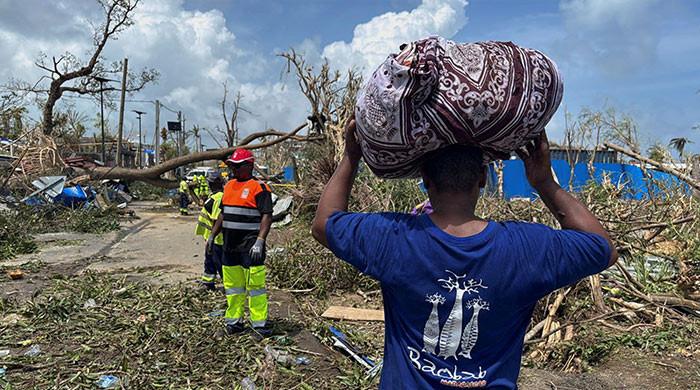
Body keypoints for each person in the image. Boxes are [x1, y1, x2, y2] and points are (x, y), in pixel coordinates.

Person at [311, 119, 618, 389]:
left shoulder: (395, 238)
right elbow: (602, 247)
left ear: (425, 182)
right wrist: (545, 182)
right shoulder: (527, 247)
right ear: (483, 179)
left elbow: (324, 224)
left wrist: (351, 155)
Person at [210, 149, 274, 336]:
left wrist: (260, 240)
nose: (234, 170)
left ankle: (260, 325)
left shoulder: (259, 188)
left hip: (250, 246)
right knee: (233, 287)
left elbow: (267, 216)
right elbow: (223, 213)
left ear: (249, 166)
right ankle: (234, 322)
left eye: (238, 166)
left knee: (255, 287)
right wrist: (213, 235)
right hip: (230, 246)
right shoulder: (229, 186)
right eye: (232, 166)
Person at [195, 171, 225, 290]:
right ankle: (208, 283)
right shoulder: (213, 197)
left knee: (219, 263)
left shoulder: (218, 198)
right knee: (210, 261)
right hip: (212, 237)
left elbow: (217, 219)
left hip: (217, 239)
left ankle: (231, 286)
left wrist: (212, 236)